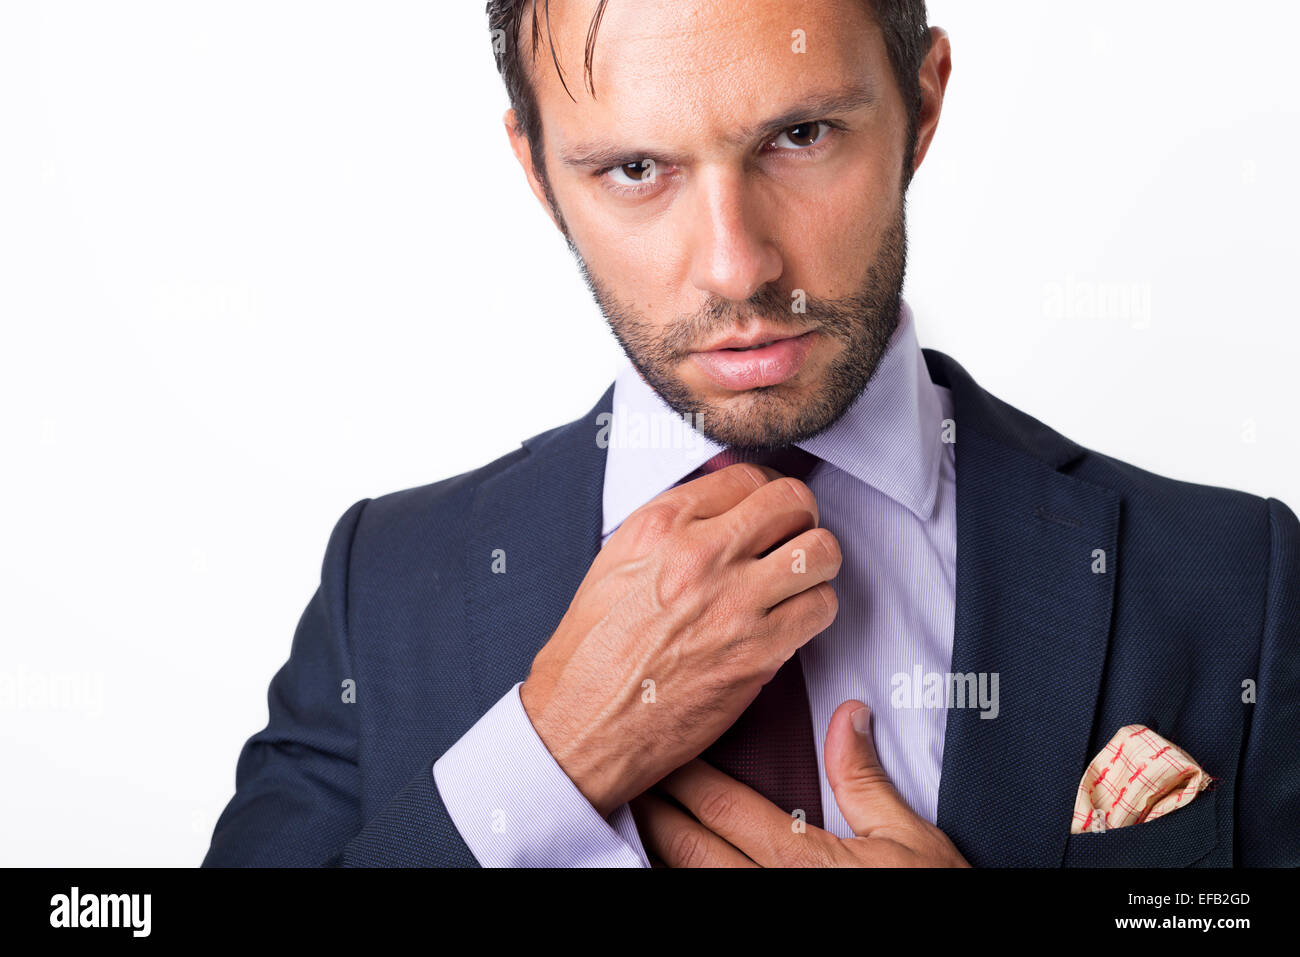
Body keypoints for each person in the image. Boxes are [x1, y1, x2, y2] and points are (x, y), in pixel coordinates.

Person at [202, 0, 1299, 867]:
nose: (737, 268)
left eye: (801, 135)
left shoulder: (1229, 582)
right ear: (537, 170)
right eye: (634, 169)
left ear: (922, 102)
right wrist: (543, 762)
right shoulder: (383, 587)